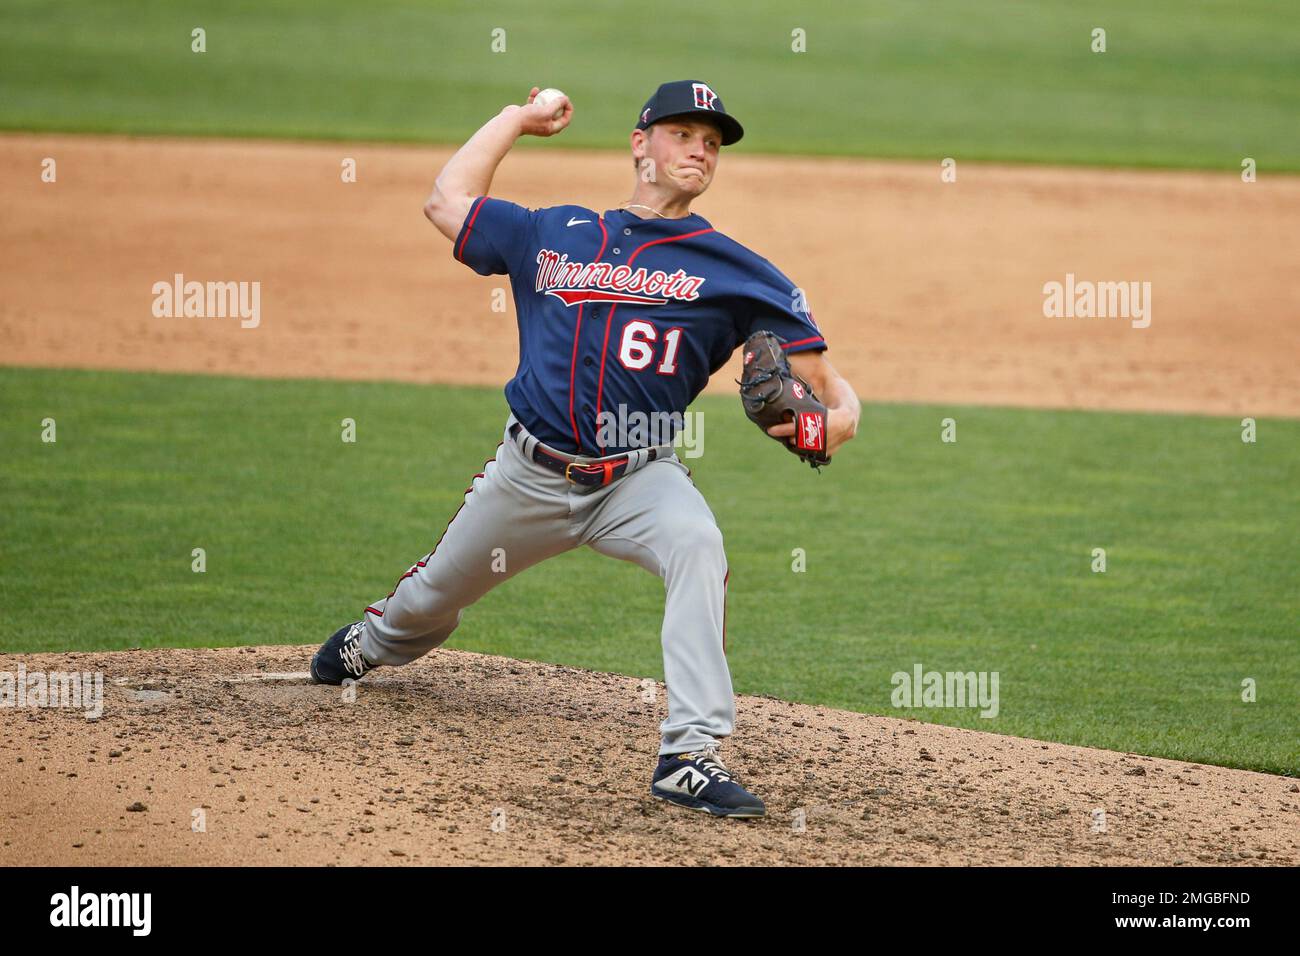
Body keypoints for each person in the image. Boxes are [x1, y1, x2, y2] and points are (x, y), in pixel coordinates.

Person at [311, 80, 861, 819]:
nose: (699, 148)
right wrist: (517, 118)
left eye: (711, 141)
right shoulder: (553, 232)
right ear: (641, 144)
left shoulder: (738, 270)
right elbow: (446, 201)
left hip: (639, 480)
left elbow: (831, 391)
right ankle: (375, 642)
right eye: (682, 133)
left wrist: (832, 425)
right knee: (430, 598)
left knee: (698, 544)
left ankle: (688, 754)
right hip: (527, 477)